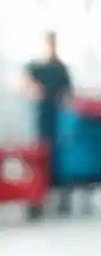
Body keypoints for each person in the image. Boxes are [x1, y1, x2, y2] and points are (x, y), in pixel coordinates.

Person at [20, 32, 73, 191]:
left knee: (55, 151)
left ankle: (54, 184)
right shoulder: (37, 67)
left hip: (57, 117)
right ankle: (39, 185)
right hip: (40, 116)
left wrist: (65, 101)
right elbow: (22, 80)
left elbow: (68, 91)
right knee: (40, 150)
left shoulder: (61, 68)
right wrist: (32, 89)